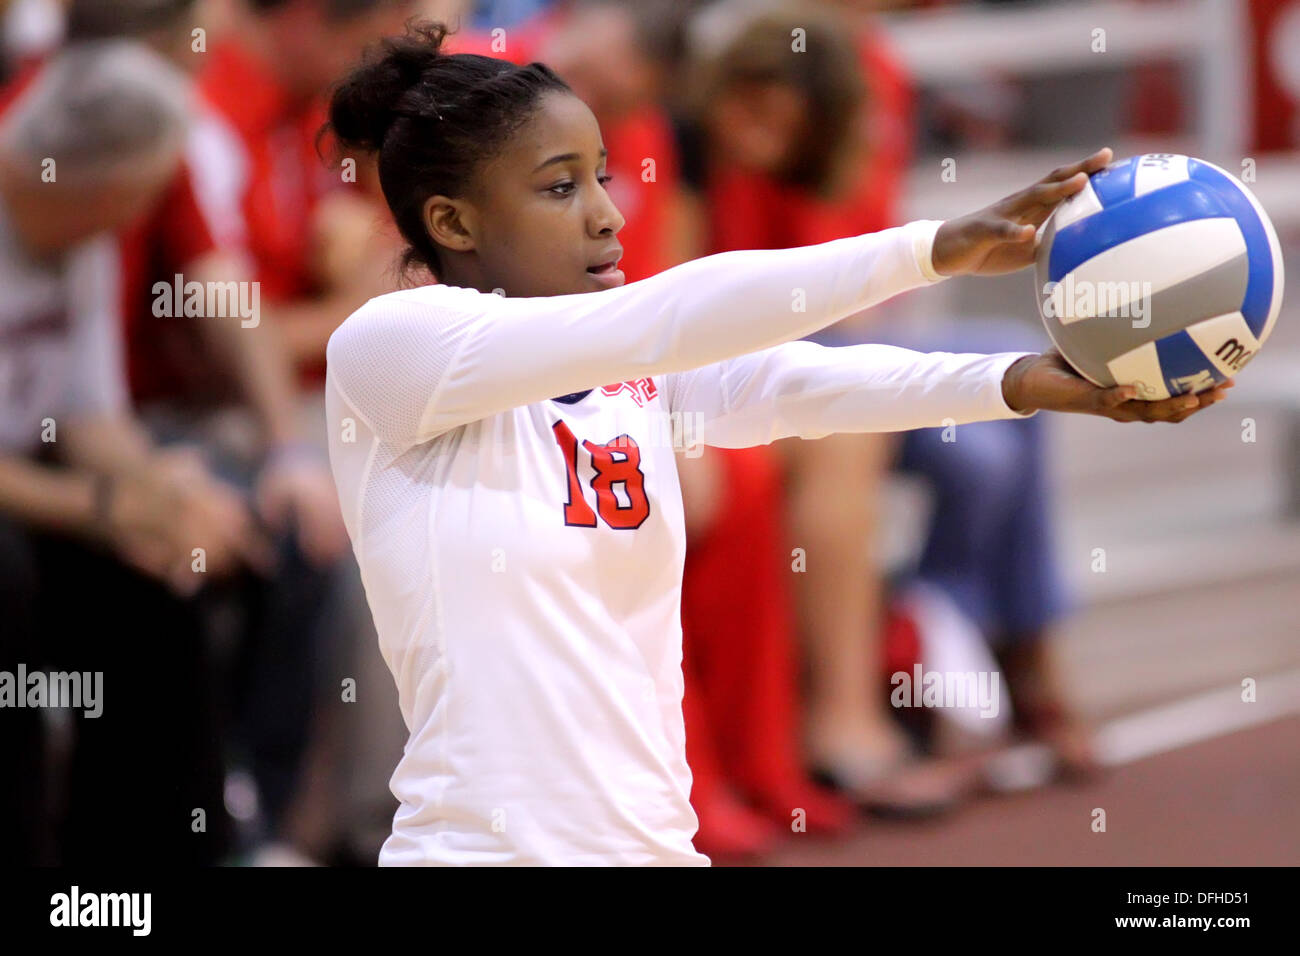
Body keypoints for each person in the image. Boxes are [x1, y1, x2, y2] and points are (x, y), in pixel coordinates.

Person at [321, 20, 1229, 866]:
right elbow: (675, 313)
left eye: (603, 175)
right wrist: (929, 248)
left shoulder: (630, 373)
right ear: (452, 223)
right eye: (561, 186)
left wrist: (1024, 382)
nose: (608, 214)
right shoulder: (394, 350)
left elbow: (804, 382)